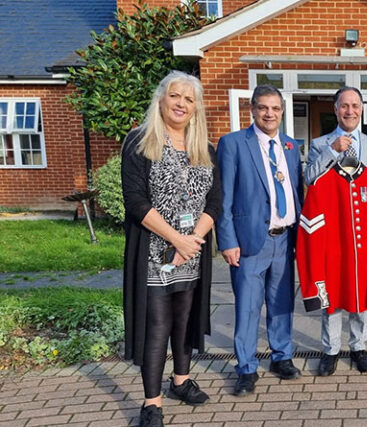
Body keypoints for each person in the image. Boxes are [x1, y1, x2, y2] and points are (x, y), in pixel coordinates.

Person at [121, 70, 222, 427]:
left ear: (196, 108)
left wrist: (192, 240)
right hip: (154, 254)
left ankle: (180, 381)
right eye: (175, 96)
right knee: (157, 327)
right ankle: (152, 403)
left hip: (191, 255)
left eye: (189, 99)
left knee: (184, 322)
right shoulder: (139, 143)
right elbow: (134, 201)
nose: (181, 104)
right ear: (161, 99)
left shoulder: (205, 149)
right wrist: (177, 240)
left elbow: (215, 201)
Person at [216, 84, 303, 395]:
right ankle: (246, 367)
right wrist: (226, 240)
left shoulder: (291, 147)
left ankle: (282, 356)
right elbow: (223, 197)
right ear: (252, 109)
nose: (270, 113)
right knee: (249, 306)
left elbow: (297, 193)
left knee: (281, 303)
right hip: (251, 240)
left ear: (282, 112)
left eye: (275, 108)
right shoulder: (233, 143)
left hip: (285, 240)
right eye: (263, 107)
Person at [304, 86, 367, 376]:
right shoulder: (319, 144)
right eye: (344, 106)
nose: (349, 111)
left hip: (362, 230)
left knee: (361, 288)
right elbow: (310, 179)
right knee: (333, 290)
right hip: (332, 232)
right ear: (336, 109)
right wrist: (331, 151)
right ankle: (330, 349)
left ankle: (359, 346)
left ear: (361, 109)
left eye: (354, 105)